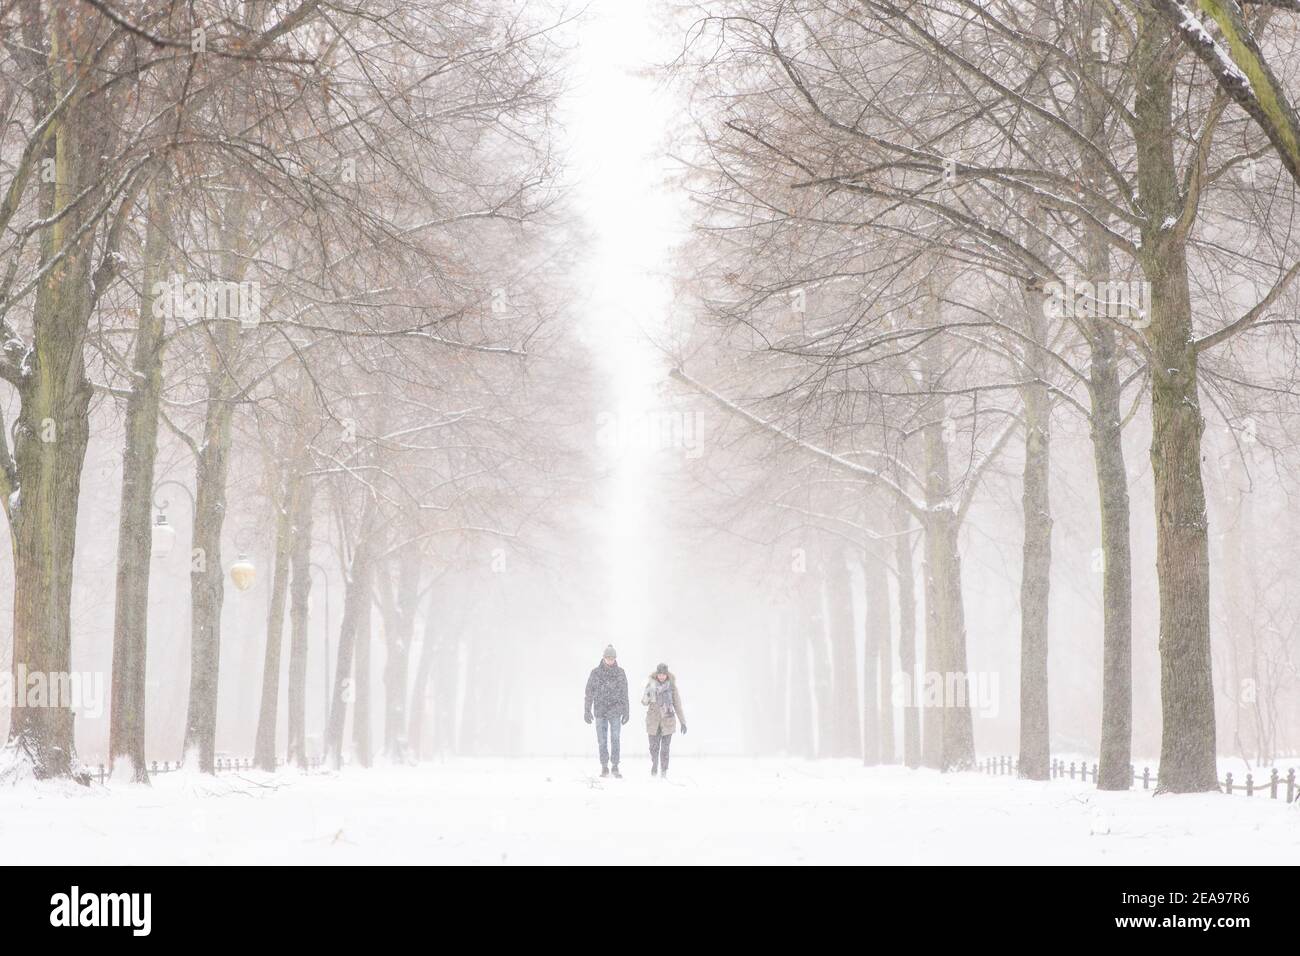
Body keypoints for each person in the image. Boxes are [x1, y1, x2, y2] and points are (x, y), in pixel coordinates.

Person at [584, 645, 629, 778]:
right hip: (600, 710)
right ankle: (604, 766)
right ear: (603, 658)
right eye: (608, 658)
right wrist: (587, 709)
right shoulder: (595, 673)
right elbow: (589, 692)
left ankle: (615, 765)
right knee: (602, 740)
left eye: (612, 658)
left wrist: (626, 711)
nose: (610, 660)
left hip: (615, 710)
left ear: (615, 658)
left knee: (615, 738)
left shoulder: (620, 672)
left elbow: (624, 693)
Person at [641, 663, 686, 778]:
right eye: (660, 674)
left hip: (667, 721)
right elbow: (644, 702)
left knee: (665, 749)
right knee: (653, 748)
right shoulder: (650, 685)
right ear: (657, 674)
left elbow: (678, 705)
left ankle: (664, 770)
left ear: (667, 675)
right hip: (653, 721)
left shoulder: (671, 687)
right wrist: (648, 694)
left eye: (663, 674)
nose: (661, 676)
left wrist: (683, 722)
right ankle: (655, 764)